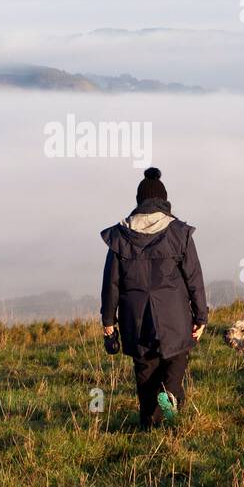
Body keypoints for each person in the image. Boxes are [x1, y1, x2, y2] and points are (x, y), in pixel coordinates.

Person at [100, 167, 208, 428]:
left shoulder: (120, 236)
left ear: (139, 202)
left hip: (135, 319)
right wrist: (201, 315)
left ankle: (150, 424)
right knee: (174, 365)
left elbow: (111, 283)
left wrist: (108, 320)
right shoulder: (179, 233)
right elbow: (194, 277)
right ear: (164, 201)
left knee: (145, 373)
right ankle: (170, 401)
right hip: (175, 317)